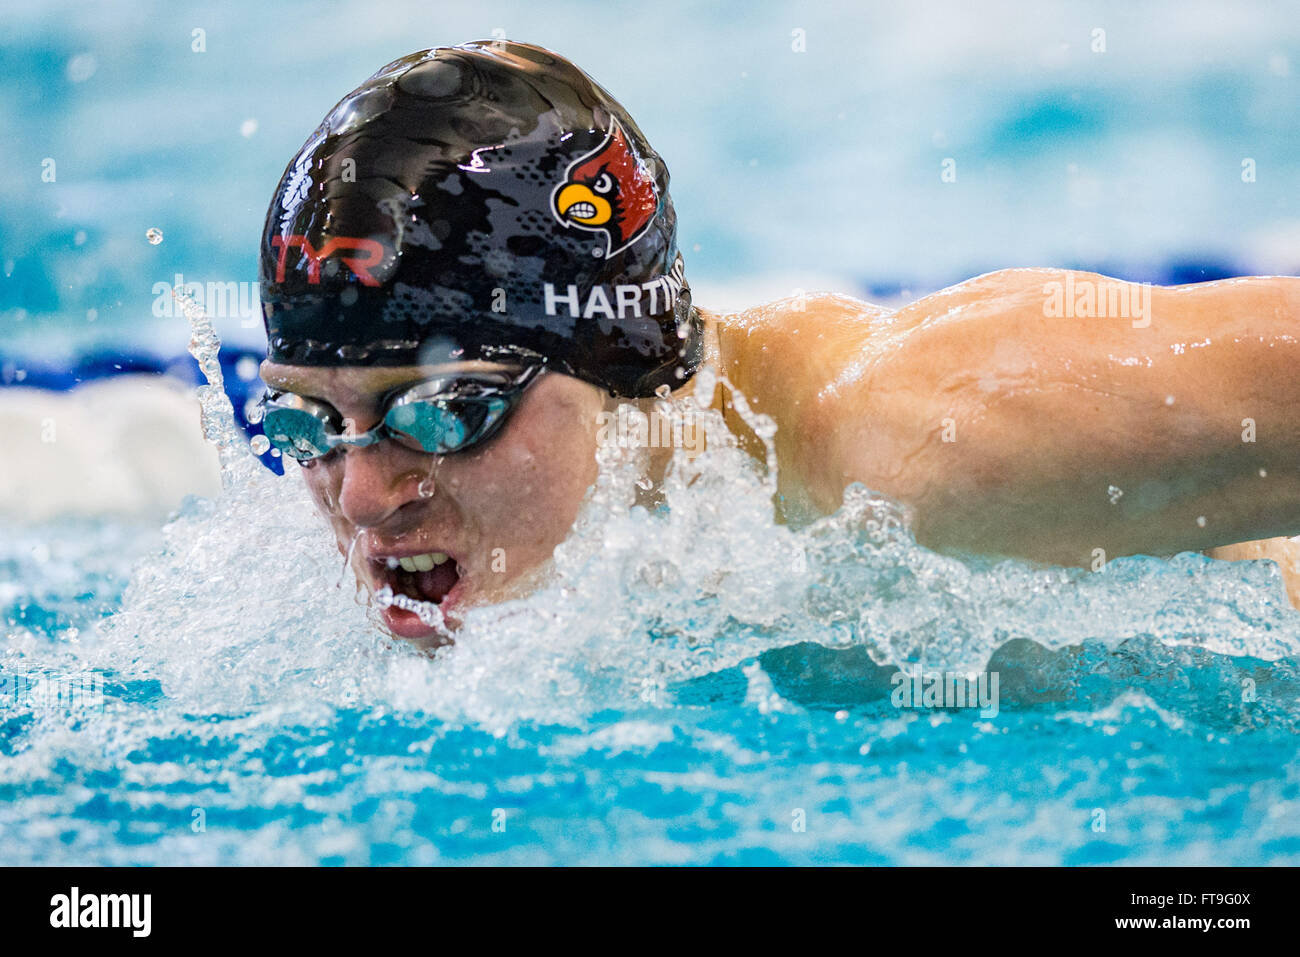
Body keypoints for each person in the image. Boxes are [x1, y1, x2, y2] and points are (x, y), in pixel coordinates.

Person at [257, 40, 1300, 646]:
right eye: (309, 423)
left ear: (619, 359)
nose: (360, 495)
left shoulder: (928, 440)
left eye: (447, 410)